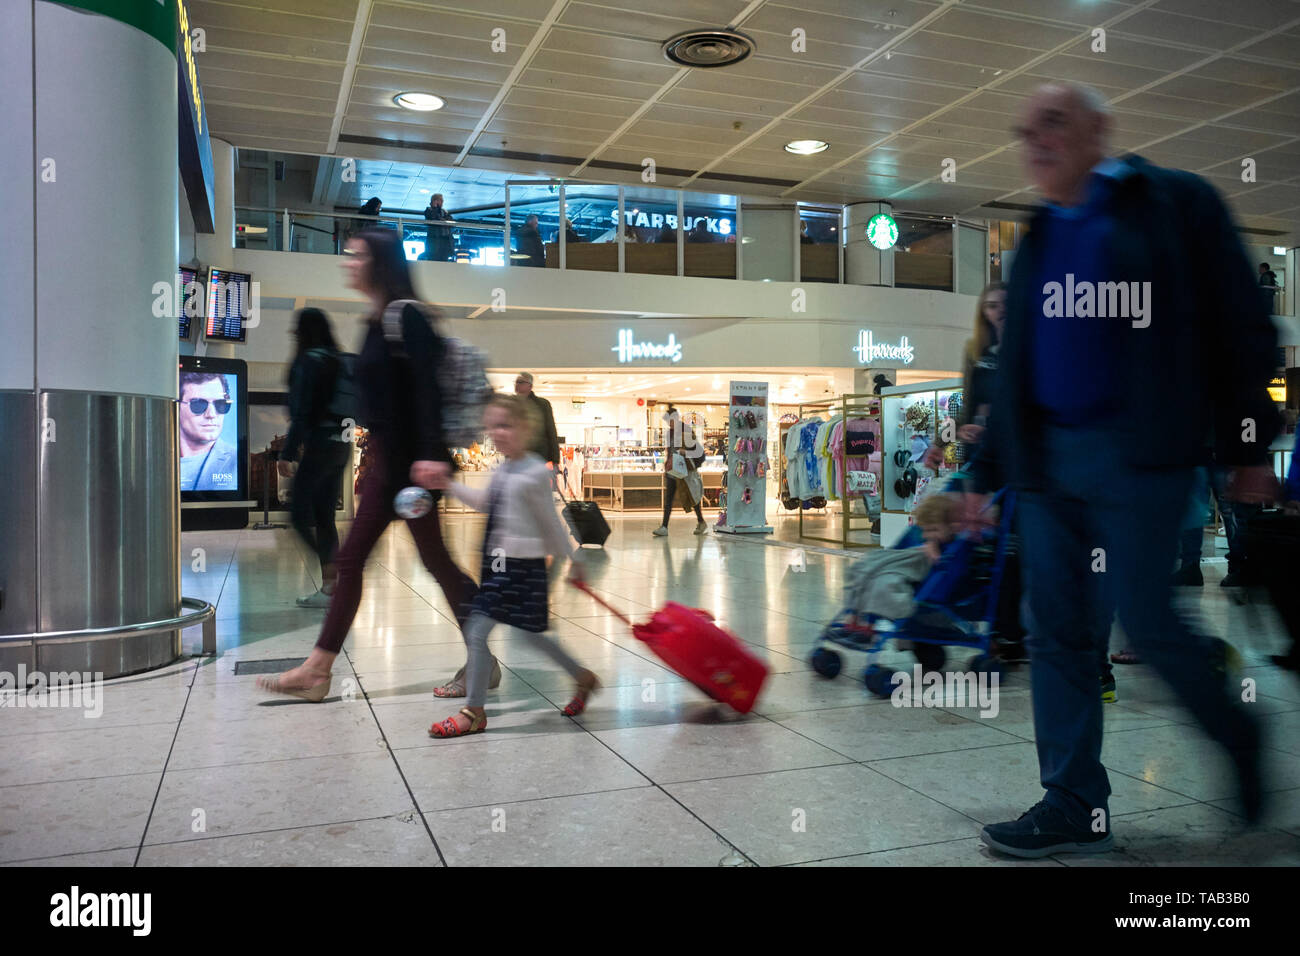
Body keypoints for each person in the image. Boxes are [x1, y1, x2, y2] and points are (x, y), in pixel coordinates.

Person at [965, 82, 1279, 859]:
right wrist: (982, 475)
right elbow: (1016, 364)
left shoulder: (1173, 202)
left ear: (1100, 129)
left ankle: (1238, 733)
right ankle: (1073, 804)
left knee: (1146, 619)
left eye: (1054, 123)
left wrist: (1248, 444)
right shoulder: (1038, 234)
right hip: (1049, 466)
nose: (1037, 142)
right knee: (1056, 633)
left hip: (1139, 454)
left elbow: (1241, 323)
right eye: (1025, 132)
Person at [257, 228, 493, 701]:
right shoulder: (375, 320)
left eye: (357, 255)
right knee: (373, 561)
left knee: (428, 562)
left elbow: (425, 388)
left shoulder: (407, 316)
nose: (348, 262)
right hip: (389, 463)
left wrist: (429, 453)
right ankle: (318, 669)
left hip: (409, 468)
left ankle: (320, 670)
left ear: (380, 263)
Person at [427, 394, 599, 737]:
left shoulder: (535, 471)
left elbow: (550, 521)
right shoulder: (502, 468)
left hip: (523, 568)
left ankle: (474, 712)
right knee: (528, 636)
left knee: (481, 632)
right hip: (498, 564)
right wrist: (448, 485)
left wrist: (574, 559)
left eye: (505, 425)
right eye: (492, 427)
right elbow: (485, 503)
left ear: (525, 427)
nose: (498, 433)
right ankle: (583, 677)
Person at [277, 308, 352, 608]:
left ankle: (337, 567)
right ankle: (330, 590)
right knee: (324, 518)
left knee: (298, 516)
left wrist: (288, 452)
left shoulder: (308, 360)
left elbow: (302, 412)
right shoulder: (338, 359)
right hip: (342, 446)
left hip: (320, 445)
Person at [179, 372, 238, 492]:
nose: (211, 414)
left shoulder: (237, 462)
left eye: (220, 404)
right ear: (177, 406)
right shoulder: (151, 459)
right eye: (198, 404)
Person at [653, 407, 707, 536]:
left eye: (670, 421)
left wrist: (684, 452)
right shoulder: (669, 433)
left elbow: (698, 452)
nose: (668, 423)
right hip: (672, 471)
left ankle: (701, 521)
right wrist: (667, 465)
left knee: (691, 496)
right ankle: (664, 527)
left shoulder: (685, 431)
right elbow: (670, 451)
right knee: (669, 499)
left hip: (684, 471)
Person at [514, 372, 560, 472]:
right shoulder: (512, 405)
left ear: (530, 386)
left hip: (539, 457)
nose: (517, 385)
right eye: (516, 382)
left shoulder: (543, 404)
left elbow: (551, 431)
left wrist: (555, 460)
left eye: (521, 382)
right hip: (518, 459)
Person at [423, 193, 454, 262]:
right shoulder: (428, 210)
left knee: (444, 261)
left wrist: (442, 220)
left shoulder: (444, 211)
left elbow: (451, 221)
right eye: (441, 200)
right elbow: (434, 217)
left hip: (445, 242)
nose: (442, 202)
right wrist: (435, 208)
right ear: (435, 201)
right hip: (434, 242)